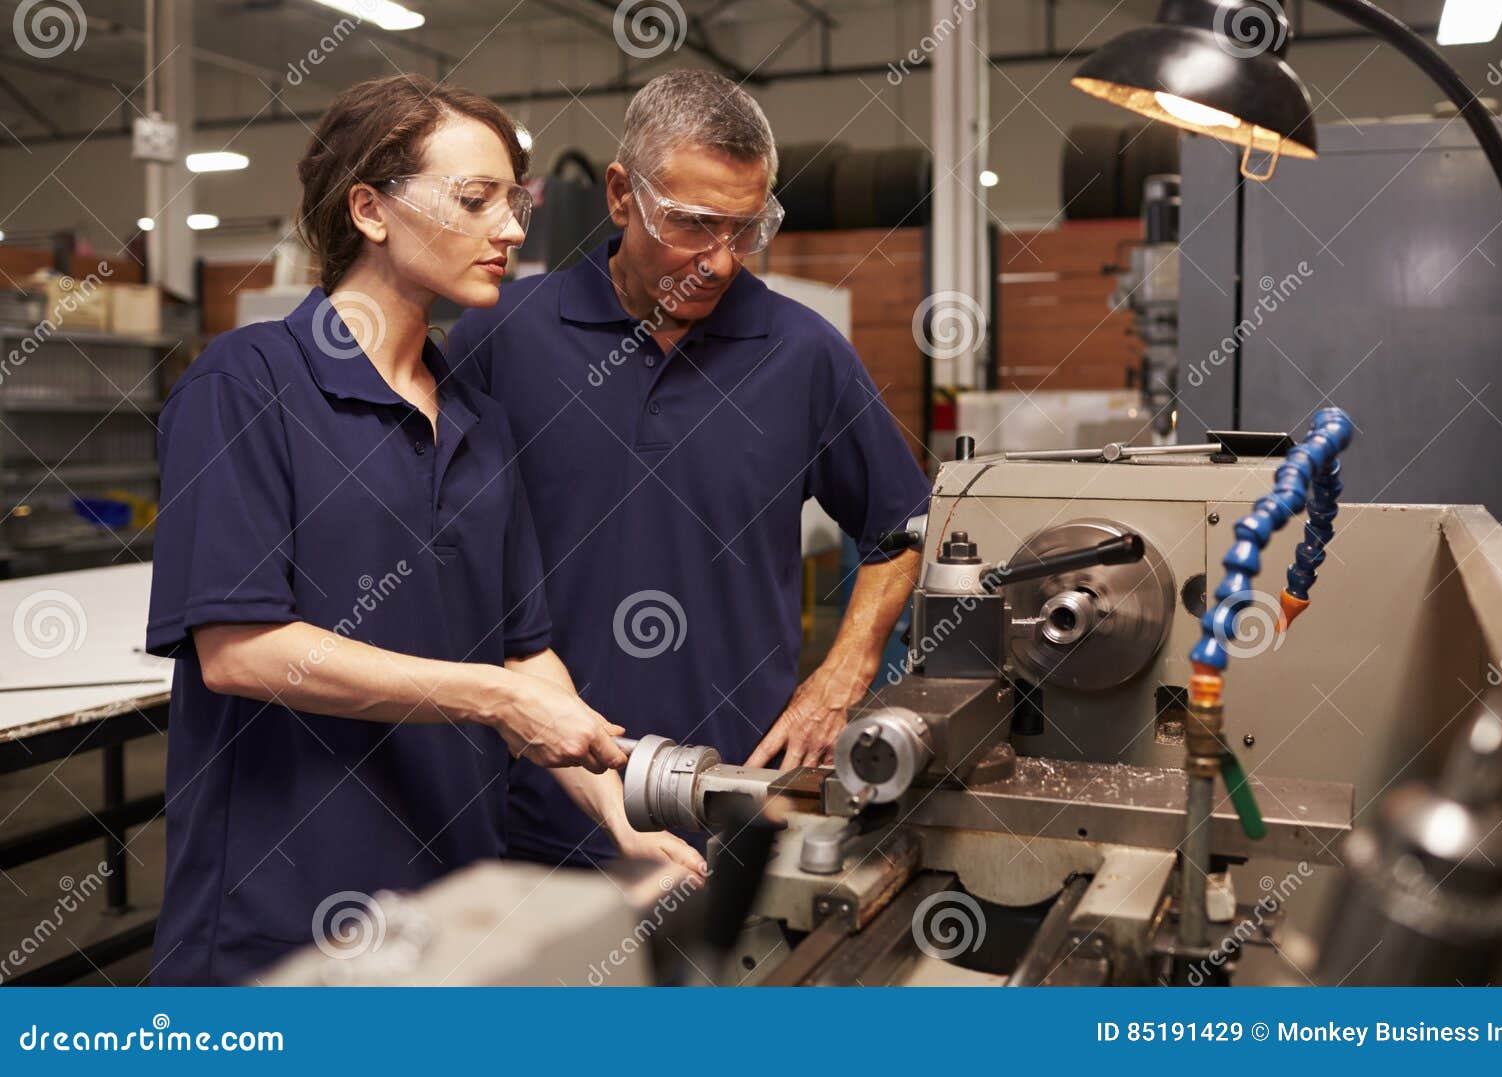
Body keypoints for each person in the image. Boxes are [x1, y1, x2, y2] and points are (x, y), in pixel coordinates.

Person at [146, 74, 702, 985]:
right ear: (369, 208)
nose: (513, 229)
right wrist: (492, 697)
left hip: (449, 908)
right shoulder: (246, 384)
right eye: (476, 199)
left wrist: (620, 811)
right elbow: (239, 650)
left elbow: (527, 657)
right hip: (278, 915)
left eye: (515, 203)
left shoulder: (475, 422)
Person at [449, 69, 931, 868]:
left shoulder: (802, 353)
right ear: (618, 194)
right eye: (692, 224)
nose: (718, 261)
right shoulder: (503, 338)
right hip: (531, 807)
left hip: (737, 796)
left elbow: (904, 526)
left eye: (745, 230)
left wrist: (844, 670)